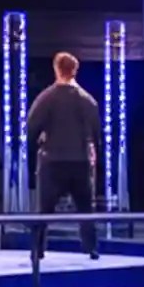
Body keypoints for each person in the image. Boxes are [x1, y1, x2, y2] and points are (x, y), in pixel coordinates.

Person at [27, 52, 99, 259]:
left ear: (56, 69)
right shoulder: (88, 100)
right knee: (86, 209)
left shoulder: (46, 98)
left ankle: (38, 250)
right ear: (75, 70)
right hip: (81, 160)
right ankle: (91, 248)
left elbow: (31, 127)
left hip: (52, 161)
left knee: (44, 210)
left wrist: (38, 143)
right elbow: (97, 133)